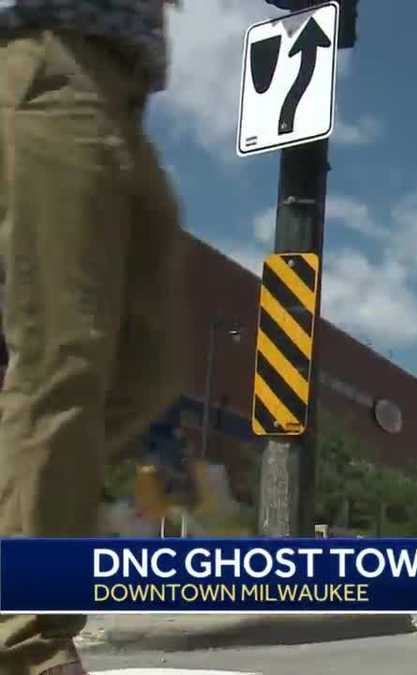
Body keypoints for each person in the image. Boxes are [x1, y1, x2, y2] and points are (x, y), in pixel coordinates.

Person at [0, 2, 186, 673]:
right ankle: (26, 641)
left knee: (150, 366)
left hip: (126, 88)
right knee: (63, 354)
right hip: (47, 52)